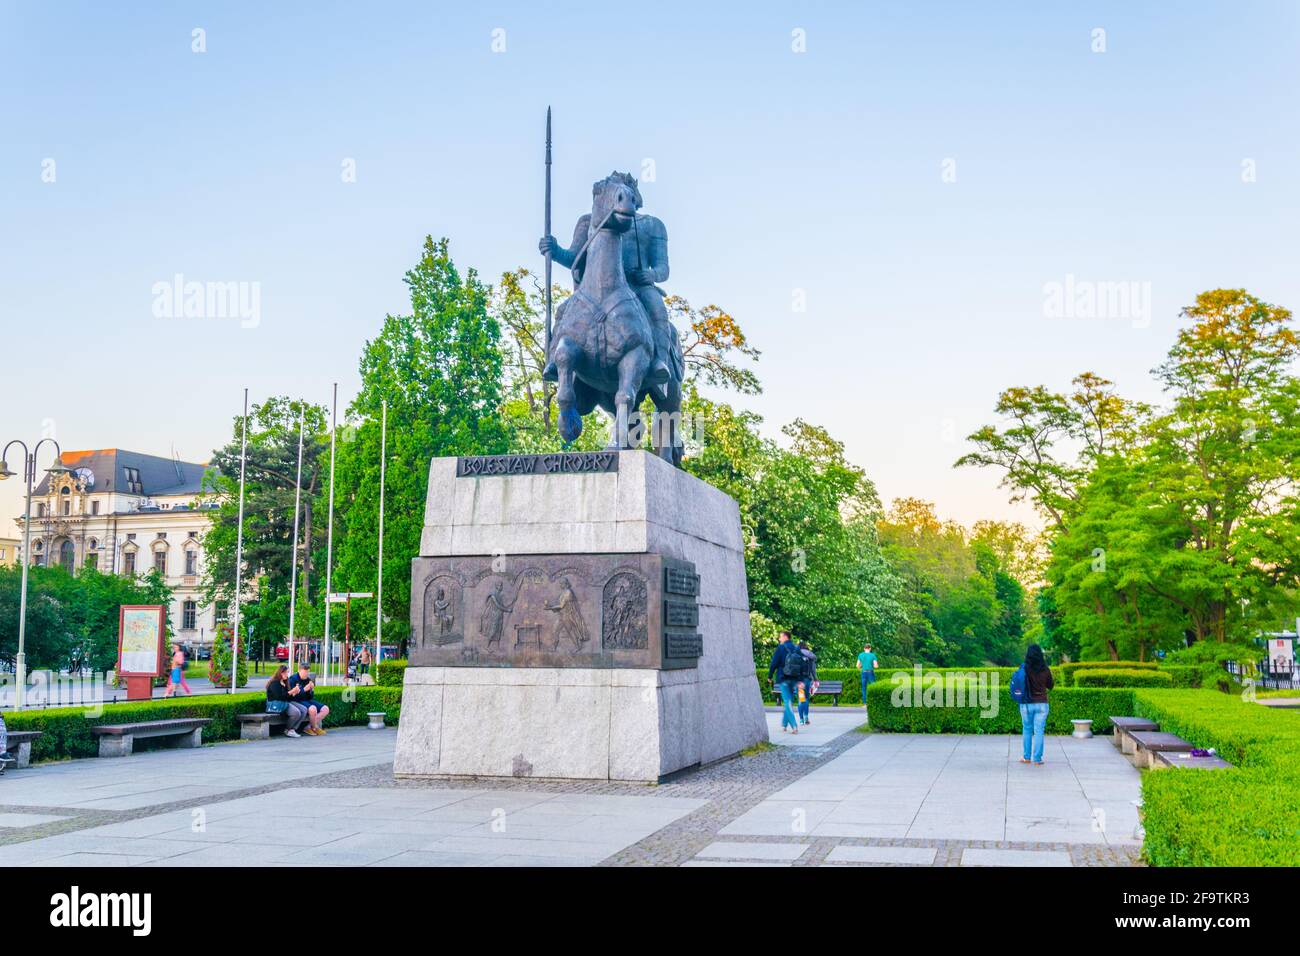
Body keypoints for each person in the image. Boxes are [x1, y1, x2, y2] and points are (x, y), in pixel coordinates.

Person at [1020, 643, 1054, 765]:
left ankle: (1026, 757)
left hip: (1026, 703)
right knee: (1039, 731)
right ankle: (1037, 759)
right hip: (1042, 703)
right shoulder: (1045, 669)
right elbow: (1051, 686)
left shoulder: (1024, 669)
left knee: (1027, 730)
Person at [767, 631, 805, 734]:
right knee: (789, 702)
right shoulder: (796, 648)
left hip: (783, 678)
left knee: (787, 703)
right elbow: (802, 665)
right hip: (794, 679)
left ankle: (794, 726)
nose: (779, 639)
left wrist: (770, 676)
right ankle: (784, 725)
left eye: (780, 637)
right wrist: (800, 680)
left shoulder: (781, 648)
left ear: (785, 637)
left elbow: (774, 663)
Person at [266, 664, 307, 738]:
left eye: (287, 672)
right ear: (280, 673)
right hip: (277, 704)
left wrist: (294, 693)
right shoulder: (274, 683)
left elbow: (287, 697)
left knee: (304, 710)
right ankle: (287, 729)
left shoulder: (285, 682)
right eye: (284, 673)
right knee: (296, 712)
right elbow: (278, 697)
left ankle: (292, 729)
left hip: (285, 702)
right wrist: (291, 692)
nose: (286, 674)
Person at [288, 662, 330, 736]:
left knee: (325, 709)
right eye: (305, 672)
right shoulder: (292, 679)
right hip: (297, 701)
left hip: (306, 700)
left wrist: (311, 690)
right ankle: (315, 727)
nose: (307, 674)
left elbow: (310, 697)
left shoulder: (307, 679)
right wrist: (304, 690)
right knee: (312, 709)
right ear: (299, 670)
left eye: (308, 672)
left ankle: (308, 727)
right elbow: (292, 696)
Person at [796, 640, 818, 726]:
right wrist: (816, 679)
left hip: (798, 681)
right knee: (806, 699)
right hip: (807, 680)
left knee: (801, 699)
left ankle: (801, 719)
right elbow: (813, 670)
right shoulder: (810, 656)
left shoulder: (795, 654)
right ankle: (806, 716)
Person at [856, 642, 879, 711]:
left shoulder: (860, 655)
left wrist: (862, 667)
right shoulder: (873, 655)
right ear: (870, 648)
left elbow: (857, 665)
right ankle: (874, 703)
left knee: (864, 688)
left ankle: (865, 704)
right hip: (870, 672)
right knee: (873, 687)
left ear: (864, 648)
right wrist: (873, 665)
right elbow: (876, 666)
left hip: (864, 672)